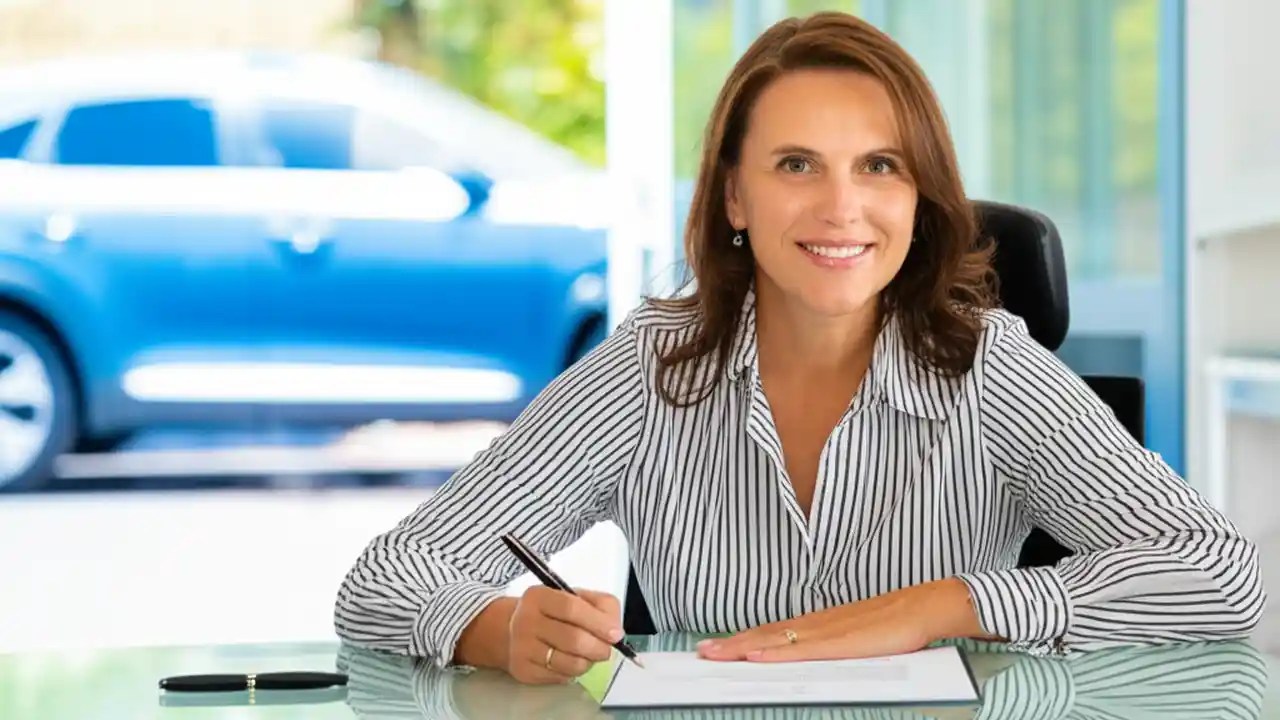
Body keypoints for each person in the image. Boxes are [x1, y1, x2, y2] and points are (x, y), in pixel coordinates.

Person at [334, 11, 1265, 685]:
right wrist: (495, 627)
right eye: (795, 165)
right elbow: (383, 579)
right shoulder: (649, 369)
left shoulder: (991, 366)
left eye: (879, 166)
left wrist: (946, 604)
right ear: (734, 199)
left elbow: (1221, 572)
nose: (840, 208)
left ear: (918, 199)